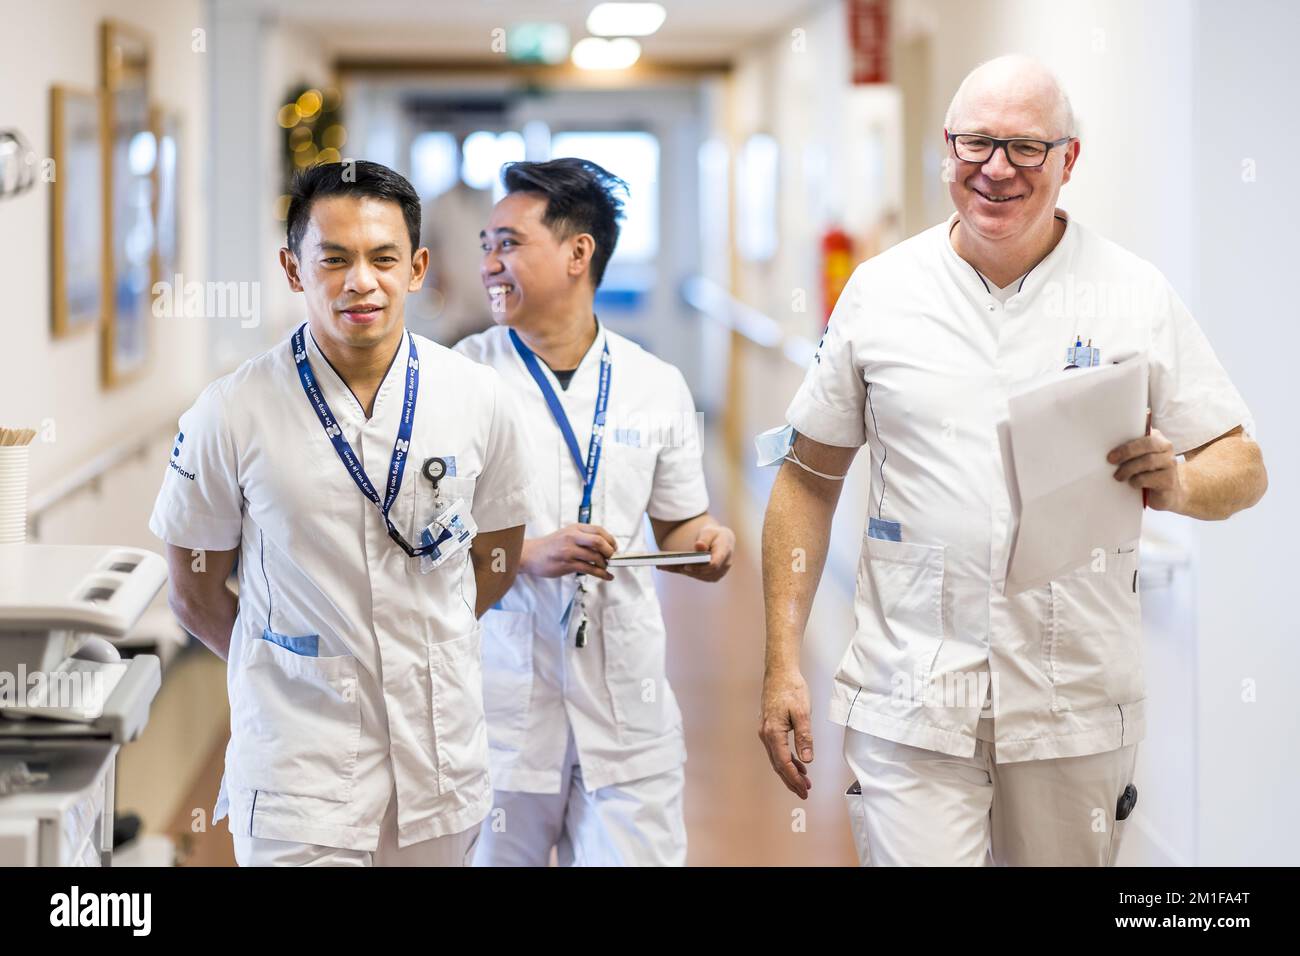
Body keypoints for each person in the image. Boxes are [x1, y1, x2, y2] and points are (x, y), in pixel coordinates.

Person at [757, 55, 1268, 866]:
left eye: (1026, 148)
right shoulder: (881, 293)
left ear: (1069, 160)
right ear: (946, 150)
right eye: (975, 143)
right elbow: (808, 479)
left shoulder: (1132, 293)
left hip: (1075, 699)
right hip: (909, 693)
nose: (995, 169)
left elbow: (1244, 466)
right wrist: (783, 660)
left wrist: (1179, 482)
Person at [149, 160, 538, 866]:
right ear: (294, 270)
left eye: (383, 258)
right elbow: (193, 589)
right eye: (334, 259)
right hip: (298, 767)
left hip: (440, 761)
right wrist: (287, 661)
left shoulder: (479, 400)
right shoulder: (231, 412)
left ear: (417, 266)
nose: (361, 281)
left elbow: (500, 556)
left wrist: (419, 644)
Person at [455, 158, 735, 866]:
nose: (489, 263)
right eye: (486, 245)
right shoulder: (457, 380)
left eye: (509, 243)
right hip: (499, 714)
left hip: (626, 713)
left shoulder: (654, 385)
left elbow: (678, 525)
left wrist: (705, 545)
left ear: (578, 252)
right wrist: (524, 555)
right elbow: (419, 543)